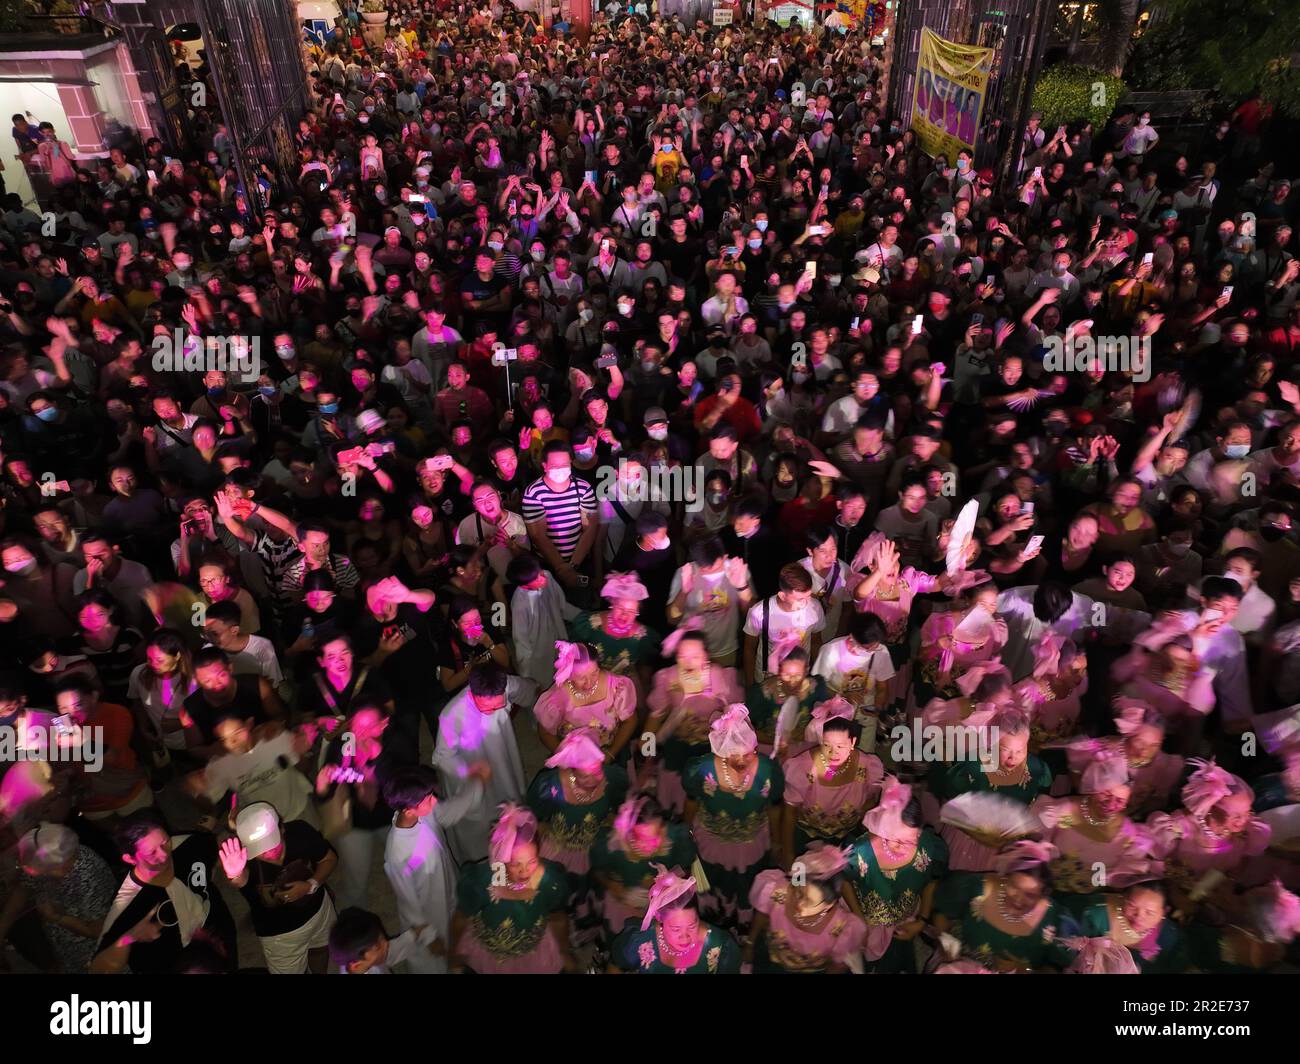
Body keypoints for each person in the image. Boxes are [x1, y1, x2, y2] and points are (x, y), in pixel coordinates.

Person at [91, 810, 237, 973]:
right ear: (130, 859)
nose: (164, 855)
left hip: (219, 938)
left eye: (164, 842)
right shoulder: (126, 903)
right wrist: (129, 937)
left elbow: (216, 852)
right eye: (151, 853)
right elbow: (99, 968)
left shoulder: (188, 844)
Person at [683, 704, 785, 927]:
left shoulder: (769, 771)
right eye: (733, 755)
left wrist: (777, 842)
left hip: (752, 844)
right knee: (715, 881)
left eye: (747, 754)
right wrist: (686, 835)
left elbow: (774, 807)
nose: (741, 761)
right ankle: (717, 920)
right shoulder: (701, 770)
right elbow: (690, 803)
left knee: (747, 883)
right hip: (712, 843)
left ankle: (742, 924)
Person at [448, 803, 576, 973]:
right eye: (516, 864)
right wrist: (454, 951)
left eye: (531, 862)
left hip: (534, 951)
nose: (524, 871)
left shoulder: (551, 882)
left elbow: (558, 917)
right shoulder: (479, 883)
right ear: (500, 858)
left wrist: (564, 950)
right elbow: (461, 917)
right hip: (490, 954)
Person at [432, 662, 536, 863]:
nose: (493, 710)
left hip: (503, 758)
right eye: (486, 707)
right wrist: (468, 771)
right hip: (472, 774)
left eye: (498, 706)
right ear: (473, 693)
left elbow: (529, 690)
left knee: (510, 797)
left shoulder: (506, 685)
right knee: (479, 822)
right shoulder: (451, 714)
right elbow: (441, 756)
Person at [218, 802, 338, 974]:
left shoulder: (300, 832)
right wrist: (234, 874)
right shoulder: (244, 858)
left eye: (271, 842)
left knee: (320, 949)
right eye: (259, 848)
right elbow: (240, 880)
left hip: (319, 911)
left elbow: (329, 859)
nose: (267, 853)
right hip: (279, 935)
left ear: (282, 827)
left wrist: (310, 885)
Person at [747, 842, 868, 973]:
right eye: (799, 892)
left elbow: (836, 966)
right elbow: (762, 913)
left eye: (809, 901)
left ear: (829, 904)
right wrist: (750, 943)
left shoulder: (841, 928)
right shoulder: (779, 891)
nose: (799, 904)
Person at [608, 864, 742, 974]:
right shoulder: (641, 941)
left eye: (692, 926)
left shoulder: (720, 945)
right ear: (660, 921)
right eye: (675, 929)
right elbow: (615, 965)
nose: (685, 937)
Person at [532, 641, 637, 757]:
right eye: (581, 678)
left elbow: (630, 721)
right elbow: (545, 733)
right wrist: (567, 759)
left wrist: (611, 753)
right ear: (569, 674)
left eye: (594, 673)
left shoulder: (617, 686)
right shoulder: (557, 697)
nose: (589, 683)